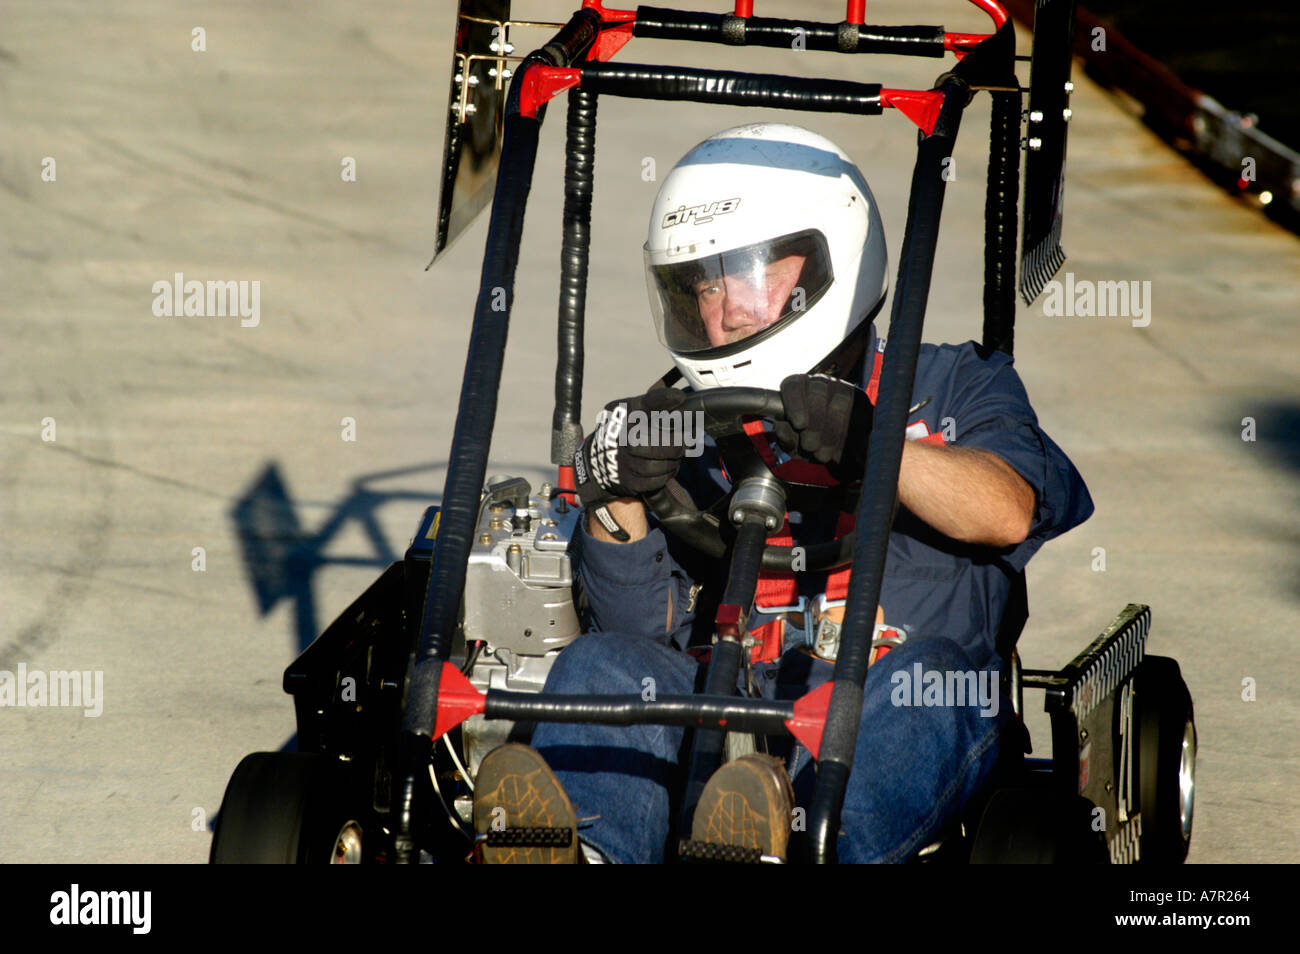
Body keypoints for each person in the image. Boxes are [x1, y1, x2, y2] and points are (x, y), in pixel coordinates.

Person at [471, 123, 1094, 864]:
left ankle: (802, 854)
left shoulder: (952, 385)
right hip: (725, 719)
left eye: (745, 274)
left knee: (929, 686)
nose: (721, 311)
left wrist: (878, 444)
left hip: (894, 713)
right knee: (599, 665)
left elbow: (1006, 510)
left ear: (832, 258)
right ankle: (588, 856)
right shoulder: (687, 422)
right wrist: (616, 496)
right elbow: (641, 630)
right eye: (702, 285)